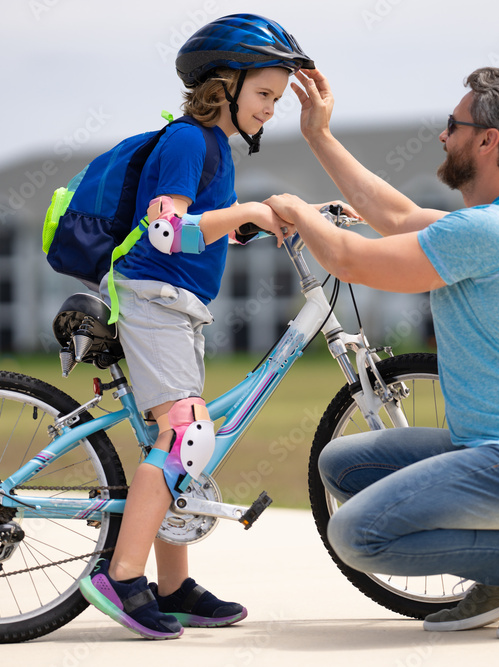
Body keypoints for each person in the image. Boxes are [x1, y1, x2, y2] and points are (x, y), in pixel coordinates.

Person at [264, 66, 499, 639]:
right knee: (343, 465)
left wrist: (295, 210)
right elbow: (391, 216)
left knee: (355, 535)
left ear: (487, 140)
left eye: (454, 125)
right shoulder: (497, 223)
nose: (443, 137)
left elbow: (350, 261)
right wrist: (319, 135)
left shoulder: (491, 232)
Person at [77, 14, 314, 640]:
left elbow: (207, 228)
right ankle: (122, 578)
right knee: (186, 434)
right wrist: (244, 210)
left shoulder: (215, 147)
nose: (270, 109)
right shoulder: (189, 140)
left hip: (178, 302)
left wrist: (280, 217)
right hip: (152, 295)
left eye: (277, 99)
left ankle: (174, 587)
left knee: (186, 442)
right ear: (222, 86)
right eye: (264, 94)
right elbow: (165, 229)